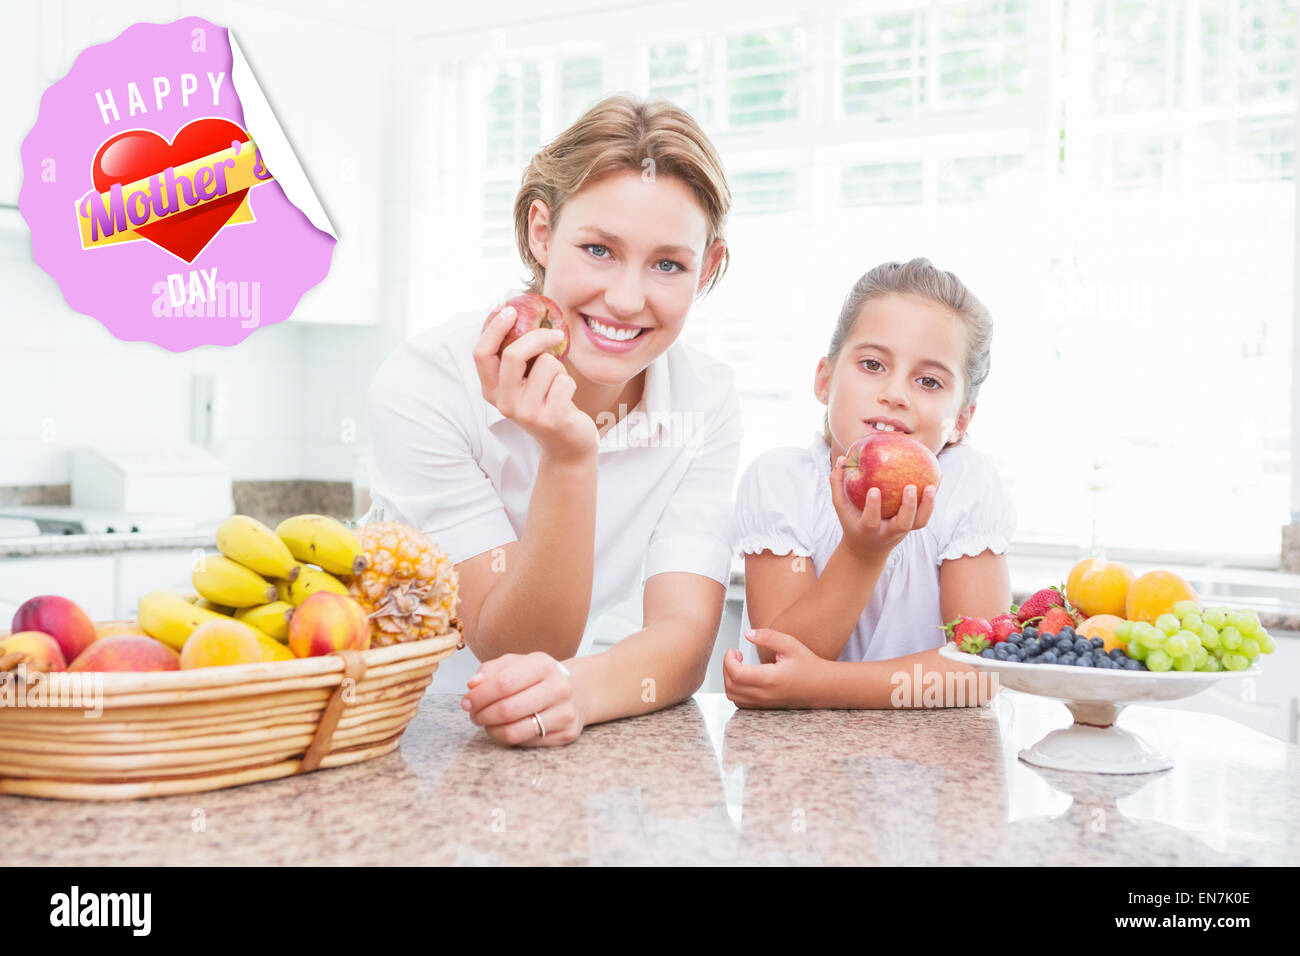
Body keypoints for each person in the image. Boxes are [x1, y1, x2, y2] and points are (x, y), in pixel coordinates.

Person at [365, 95, 740, 745]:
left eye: (668, 264)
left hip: (580, 741)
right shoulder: (425, 384)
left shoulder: (705, 399)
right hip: (414, 741)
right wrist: (570, 458)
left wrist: (581, 689)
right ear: (542, 232)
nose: (625, 298)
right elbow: (510, 644)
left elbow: (681, 639)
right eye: (598, 249)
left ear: (707, 268)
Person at [723, 258, 1014, 708]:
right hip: (804, 761)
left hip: (936, 762)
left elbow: (979, 671)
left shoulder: (968, 486)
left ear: (960, 420)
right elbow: (779, 654)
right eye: (874, 364)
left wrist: (823, 684)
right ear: (824, 379)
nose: (896, 394)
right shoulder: (781, 483)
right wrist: (863, 552)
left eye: (929, 380)